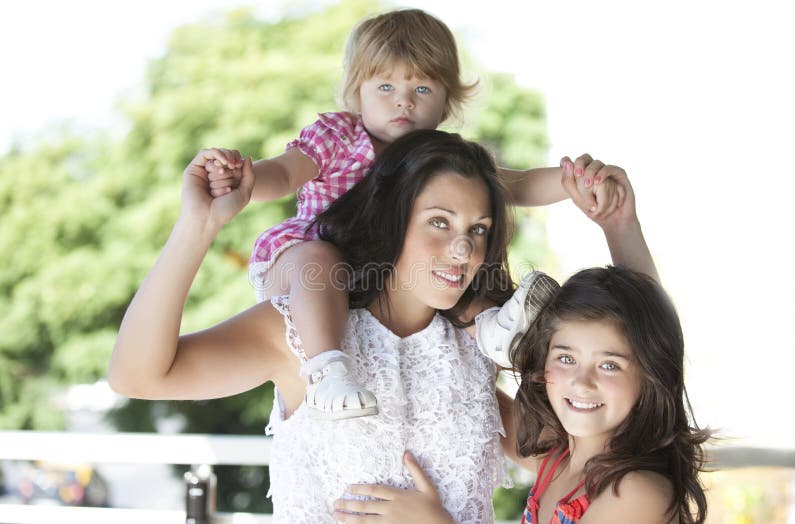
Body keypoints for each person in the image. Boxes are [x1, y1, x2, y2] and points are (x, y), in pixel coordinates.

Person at [198, 8, 624, 420]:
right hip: (307, 264)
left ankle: (492, 327)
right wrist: (246, 179)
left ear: (447, 100)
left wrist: (573, 183)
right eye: (385, 88)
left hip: (379, 272)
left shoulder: (440, 158)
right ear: (357, 90)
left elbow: (516, 184)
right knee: (321, 258)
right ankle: (327, 369)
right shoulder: (337, 137)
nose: (403, 103)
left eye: (422, 90)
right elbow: (285, 172)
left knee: (454, 267)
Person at [111, 130, 518, 523]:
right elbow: (137, 377)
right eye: (440, 222)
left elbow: (570, 466)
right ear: (390, 219)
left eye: (477, 229)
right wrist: (197, 225)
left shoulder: (481, 344)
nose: (464, 249)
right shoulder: (301, 332)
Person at [333, 268, 711, 524]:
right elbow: (466, 393)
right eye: (566, 358)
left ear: (650, 376)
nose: (582, 382)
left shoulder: (637, 493)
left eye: (609, 364)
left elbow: (650, 317)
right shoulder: (558, 462)